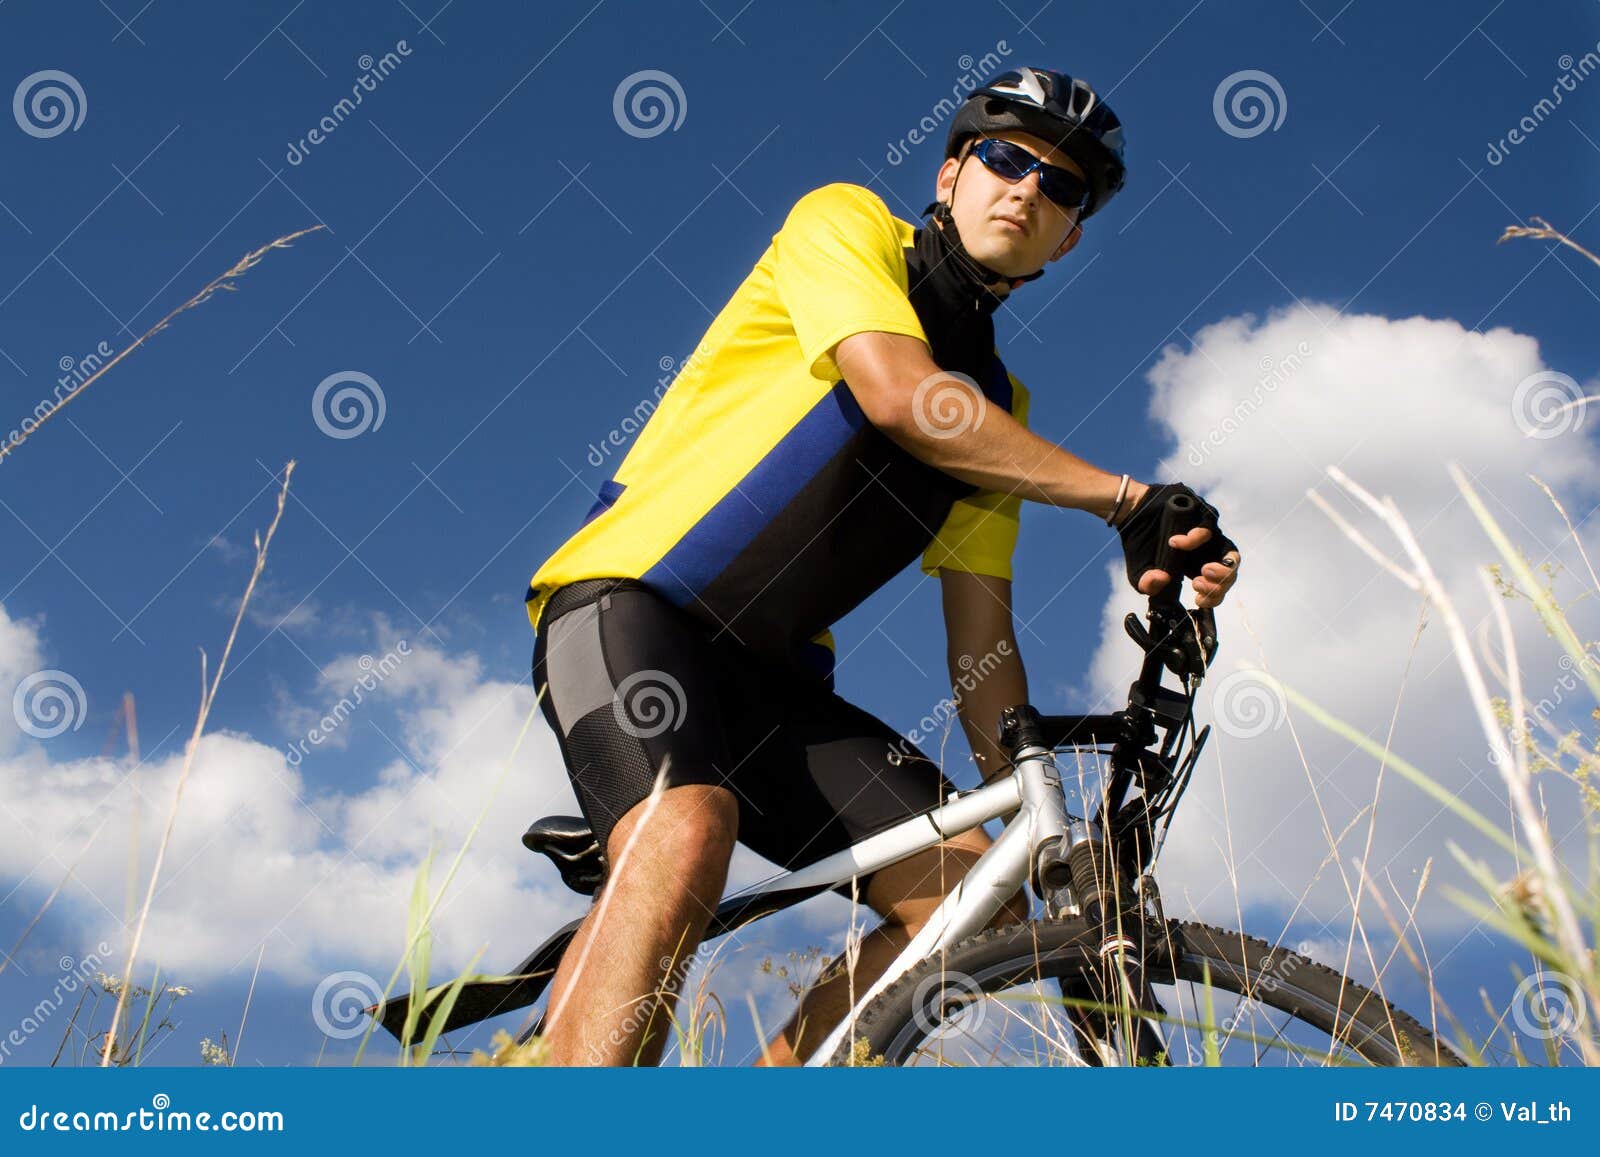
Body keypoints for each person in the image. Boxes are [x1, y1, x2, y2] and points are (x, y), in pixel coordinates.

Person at [523, 66, 1240, 1065]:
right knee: (688, 826)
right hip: (631, 607)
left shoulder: (1003, 406)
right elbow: (904, 397)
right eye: (1004, 158)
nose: (1027, 189)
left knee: (965, 903)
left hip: (771, 686)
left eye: (1062, 187)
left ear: (1068, 237)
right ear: (950, 175)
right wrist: (1123, 499)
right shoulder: (846, 224)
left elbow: (981, 648)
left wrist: (1050, 861)